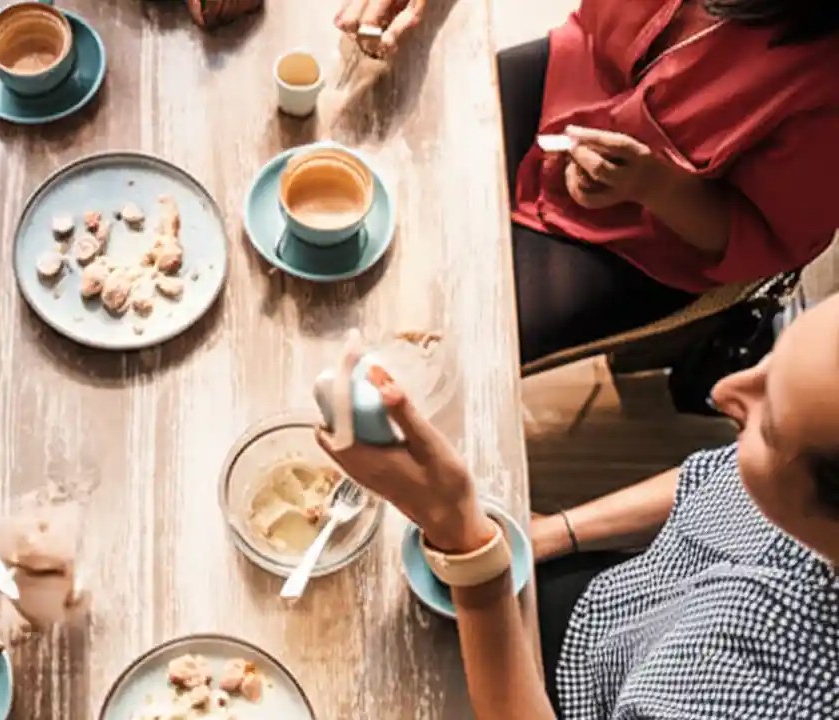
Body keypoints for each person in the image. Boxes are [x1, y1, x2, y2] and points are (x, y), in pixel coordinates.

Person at [317, 291, 839, 718]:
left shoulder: (774, 696)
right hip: (614, 608)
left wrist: (463, 539)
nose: (725, 389)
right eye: (775, 355)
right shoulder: (806, 458)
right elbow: (715, 479)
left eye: (768, 426)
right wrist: (560, 532)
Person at [337, 0, 839, 365]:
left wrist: (655, 187)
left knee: (450, 339)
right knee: (378, 160)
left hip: (652, 235)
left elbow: (765, 234)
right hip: (578, 74)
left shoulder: (824, 80)